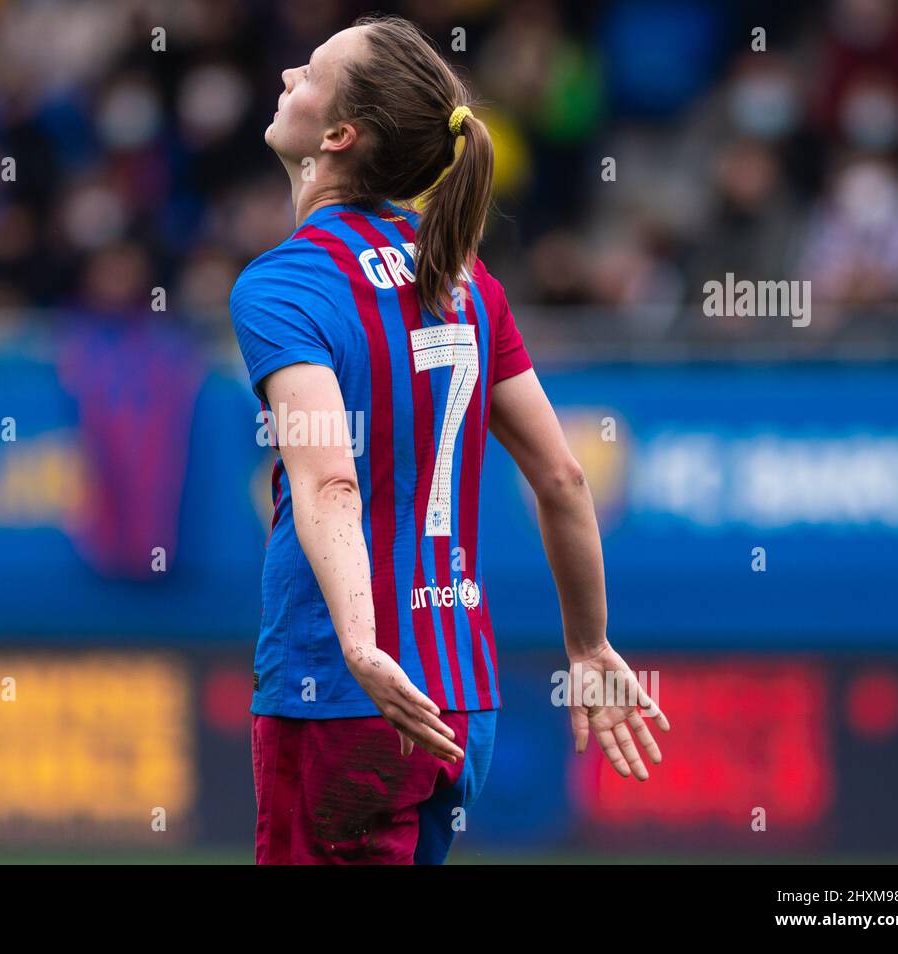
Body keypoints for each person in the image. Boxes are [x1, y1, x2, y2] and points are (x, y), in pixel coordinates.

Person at [229, 14, 669, 865]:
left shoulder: (284, 284)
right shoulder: (464, 281)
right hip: (462, 693)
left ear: (338, 136)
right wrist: (589, 645)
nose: (287, 74)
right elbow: (565, 479)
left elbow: (330, 482)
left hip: (342, 692)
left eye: (311, 72)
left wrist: (359, 646)